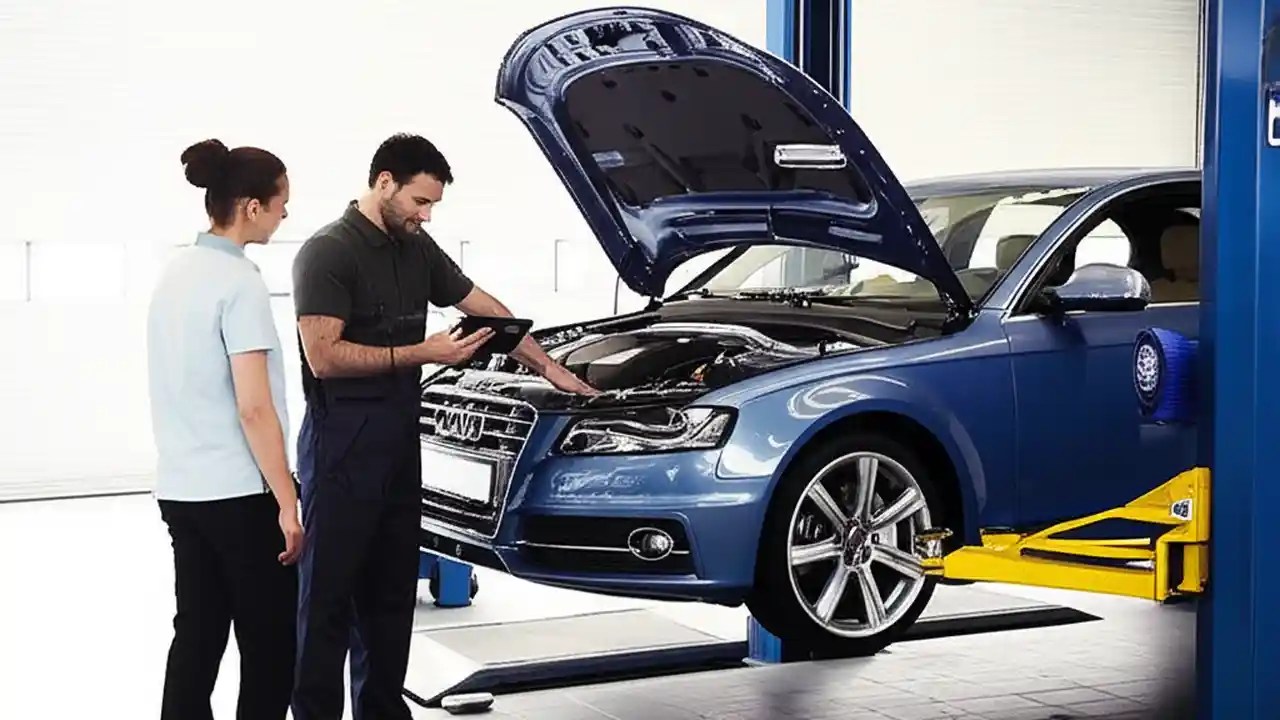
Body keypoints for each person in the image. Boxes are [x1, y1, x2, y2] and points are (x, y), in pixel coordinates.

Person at [289, 132, 597, 718]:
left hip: (400, 446)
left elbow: (487, 309)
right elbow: (323, 358)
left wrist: (554, 368)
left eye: (433, 205)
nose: (426, 214)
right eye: (419, 201)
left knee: (389, 600)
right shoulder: (328, 252)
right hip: (340, 449)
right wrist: (424, 353)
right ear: (384, 184)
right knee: (326, 604)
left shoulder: (417, 249)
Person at [146, 138, 304, 720]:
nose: (286, 214)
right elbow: (254, 408)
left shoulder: (175, 273)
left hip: (182, 490)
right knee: (270, 645)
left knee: (198, 634)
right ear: (251, 206)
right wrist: (288, 504)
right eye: (282, 202)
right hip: (240, 495)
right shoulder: (240, 284)